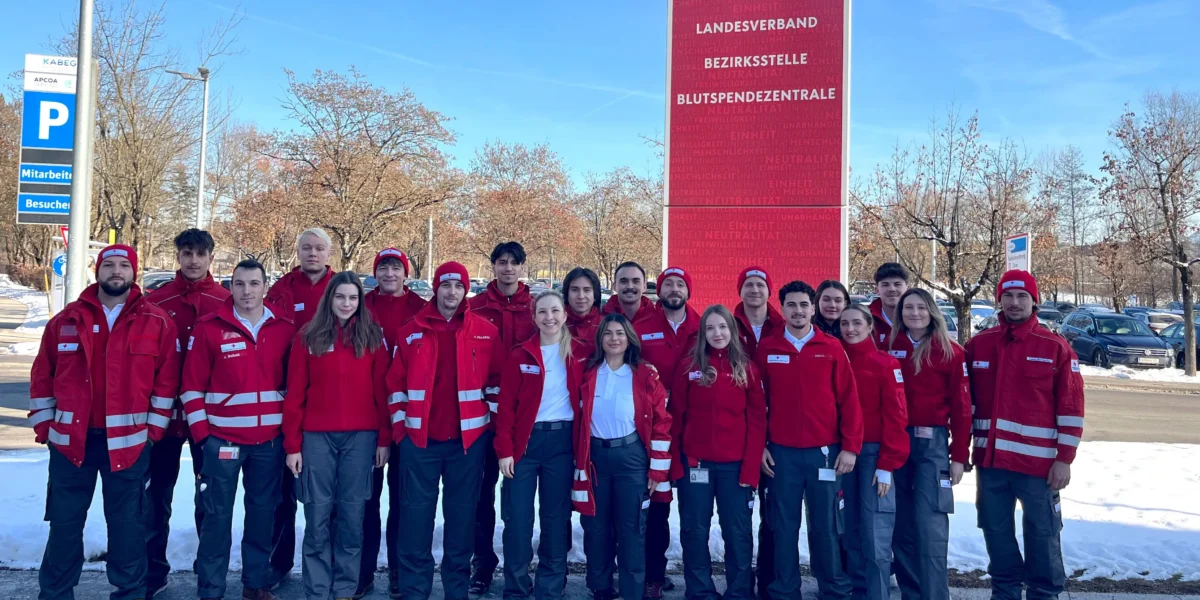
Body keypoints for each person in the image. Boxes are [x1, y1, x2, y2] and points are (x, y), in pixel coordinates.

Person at [29, 244, 181, 600]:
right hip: (70, 444)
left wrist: (152, 431)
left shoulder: (157, 322)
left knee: (128, 528)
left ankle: (129, 594)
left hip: (128, 445)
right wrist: (45, 427)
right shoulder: (65, 320)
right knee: (65, 526)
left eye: (123, 265)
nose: (116, 271)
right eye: (108, 265)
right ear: (97, 271)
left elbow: (166, 382)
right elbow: (42, 376)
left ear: (134, 272)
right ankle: (55, 594)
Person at [387, 261, 504, 600]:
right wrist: (401, 432)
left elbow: (496, 385)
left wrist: (488, 430)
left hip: (466, 446)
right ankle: (414, 591)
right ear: (436, 288)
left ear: (466, 290)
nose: (452, 292)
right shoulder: (410, 331)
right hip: (419, 444)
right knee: (414, 523)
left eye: (458, 286)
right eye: (446, 285)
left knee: (461, 524)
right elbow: (395, 385)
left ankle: (456, 591)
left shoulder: (484, 331)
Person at [181, 259, 296, 600]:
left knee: (263, 516)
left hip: (269, 444)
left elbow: (295, 386)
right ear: (231, 287)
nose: (247, 291)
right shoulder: (209, 328)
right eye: (240, 284)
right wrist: (204, 438)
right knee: (216, 519)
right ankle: (211, 587)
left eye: (254, 284)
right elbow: (190, 388)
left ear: (265, 286)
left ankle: (256, 582)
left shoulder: (284, 328)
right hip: (223, 442)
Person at [966, 270, 1084, 600]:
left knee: (1042, 536)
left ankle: (1044, 594)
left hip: (1039, 468)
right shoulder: (979, 345)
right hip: (992, 467)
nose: (1014, 303)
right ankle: (1004, 593)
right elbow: (962, 403)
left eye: (1022, 296)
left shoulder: (1055, 347)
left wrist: (1064, 460)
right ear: (998, 300)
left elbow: (1072, 408)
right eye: (1008, 296)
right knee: (996, 534)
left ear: (1035, 301)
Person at [283, 271, 392, 600]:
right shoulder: (308, 337)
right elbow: (295, 395)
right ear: (329, 299)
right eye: (340, 297)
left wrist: (384, 440)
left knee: (351, 515)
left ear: (360, 302)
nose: (346, 303)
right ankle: (317, 589)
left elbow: (382, 393)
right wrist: (292, 445)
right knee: (316, 514)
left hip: (361, 439)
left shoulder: (371, 337)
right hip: (317, 439)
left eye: (353, 298)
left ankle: (345, 587)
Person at [756, 280, 862, 600]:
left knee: (826, 528)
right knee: (783, 527)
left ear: (812, 308)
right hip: (782, 455)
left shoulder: (830, 348)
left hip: (823, 454)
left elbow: (849, 400)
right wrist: (760, 445)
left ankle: (833, 589)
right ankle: (785, 590)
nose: (798, 311)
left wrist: (850, 447)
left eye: (804, 305)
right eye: (791, 305)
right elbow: (756, 402)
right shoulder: (769, 348)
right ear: (783, 309)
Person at [142, 228, 231, 598]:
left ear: (211, 257)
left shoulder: (226, 301)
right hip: (162, 418)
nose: (193, 260)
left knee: (208, 497)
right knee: (154, 496)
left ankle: (206, 570)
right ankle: (153, 571)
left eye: (200, 254)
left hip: (206, 419)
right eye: (186, 253)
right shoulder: (157, 300)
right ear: (177, 256)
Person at [669, 305, 767, 600]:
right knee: (694, 530)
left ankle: (739, 591)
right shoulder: (689, 367)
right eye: (710, 328)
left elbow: (757, 422)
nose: (717, 333)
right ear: (703, 333)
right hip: (695, 464)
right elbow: (675, 417)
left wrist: (751, 469)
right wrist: (676, 464)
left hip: (735, 468)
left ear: (732, 331)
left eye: (722, 327)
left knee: (737, 533)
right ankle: (699, 590)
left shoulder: (747, 368)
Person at [494, 291, 587, 600]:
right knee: (518, 520)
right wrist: (505, 450)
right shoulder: (521, 354)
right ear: (533, 318)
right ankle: (516, 588)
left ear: (565, 315)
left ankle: (550, 587)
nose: (550, 317)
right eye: (543, 312)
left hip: (562, 444)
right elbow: (505, 405)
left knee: (556, 520)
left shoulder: (581, 353)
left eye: (555, 311)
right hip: (525, 446)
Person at [572, 314, 672, 600]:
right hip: (595, 458)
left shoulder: (644, 373)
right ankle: (600, 587)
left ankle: (632, 591)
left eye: (620, 333)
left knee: (631, 528)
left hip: (632, 459)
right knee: (597, 526)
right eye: (608, 333)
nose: (614, 338)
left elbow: (662, 422)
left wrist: (657, 471)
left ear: (629, 338)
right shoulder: (589, 372)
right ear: (600, 339)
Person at [886, 288, 971, 600]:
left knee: (930, 524)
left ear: (931, 311)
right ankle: (912, 592)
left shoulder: (950, 351)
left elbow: (963, 409)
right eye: (908, 308)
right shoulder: (890, 345)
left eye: (921, 307)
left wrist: (959, 456)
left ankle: (935, 595)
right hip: (895, 442)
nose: (914, 313)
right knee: (900, 523)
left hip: (932, 445)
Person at [266, 227, 335, 586]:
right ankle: (279, 564)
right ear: (298, 251)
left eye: (319, 248)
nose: (312, 253)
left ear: (328, 253)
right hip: (286, 398)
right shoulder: (280, 290)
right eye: (306, 247)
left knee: (329, 497)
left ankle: (332, 564)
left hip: (329, 403)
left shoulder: (342, 288)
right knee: (283, 494)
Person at [467, 242, 537, 595]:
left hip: (523, 421)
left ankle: (518, 565)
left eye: (514, 263)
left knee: (517, 500)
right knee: (480, 496)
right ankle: (482, 563)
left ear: (523, 268)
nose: (508, 268)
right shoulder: (474, 308)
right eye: (501, 262)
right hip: (481, 419)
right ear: (493, 266)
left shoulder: (537, 308)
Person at [360, 247, 427, 599]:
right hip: (367, 417)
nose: (389, 274)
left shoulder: (420, 309)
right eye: (383, 268)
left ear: (406, 273)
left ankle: (400, 569)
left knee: (404, 501)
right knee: (365, 501)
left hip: (406, 418)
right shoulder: (361, 305)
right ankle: (364, 570)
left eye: (395, 268)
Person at [837, 305, 910, 600]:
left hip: (873, 457)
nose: (850, 329)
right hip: (842, 456)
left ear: (870, 327)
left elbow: (897, 416)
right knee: (850, 532)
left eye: (857, 323)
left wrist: (887, 464)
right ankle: (857, 592)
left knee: (875, 534)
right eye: (844, 324)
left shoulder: (885, 363)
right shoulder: (835, 359)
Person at [636, 266, 700, 599]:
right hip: (654, 433)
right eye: (668, 284)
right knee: (656, 509)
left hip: (694, 433)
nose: (674, 289)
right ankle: (653, 575)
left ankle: (698, 578)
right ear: (658, 291)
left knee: (694, 511)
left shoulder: (704, 327)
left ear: (689, 292)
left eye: (680, 284)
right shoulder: (642, 328)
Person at [731, 267, 784, 599]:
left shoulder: (784, 327)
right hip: (739, 433)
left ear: (769, 290)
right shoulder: (728, 325)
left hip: (778, 434)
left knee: (774, 514)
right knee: (737, 515)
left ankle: (769, 579)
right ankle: (739, 579)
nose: (754, 290)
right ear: (740, 291)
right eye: (748, 285)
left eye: (760, 285)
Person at [564, 267, 603, 353]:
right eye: (575, 290)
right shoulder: (556, 323)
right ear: (567, 294)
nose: (581, 296)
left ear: (595, 295)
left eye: (587, 290)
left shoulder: (605, 325)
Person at [868, 263, 910, 345]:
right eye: (885, 285)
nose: (892, 289)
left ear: (907, 288)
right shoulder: (865, 318)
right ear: (877, 290)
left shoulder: (920, 318)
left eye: (897, 284)